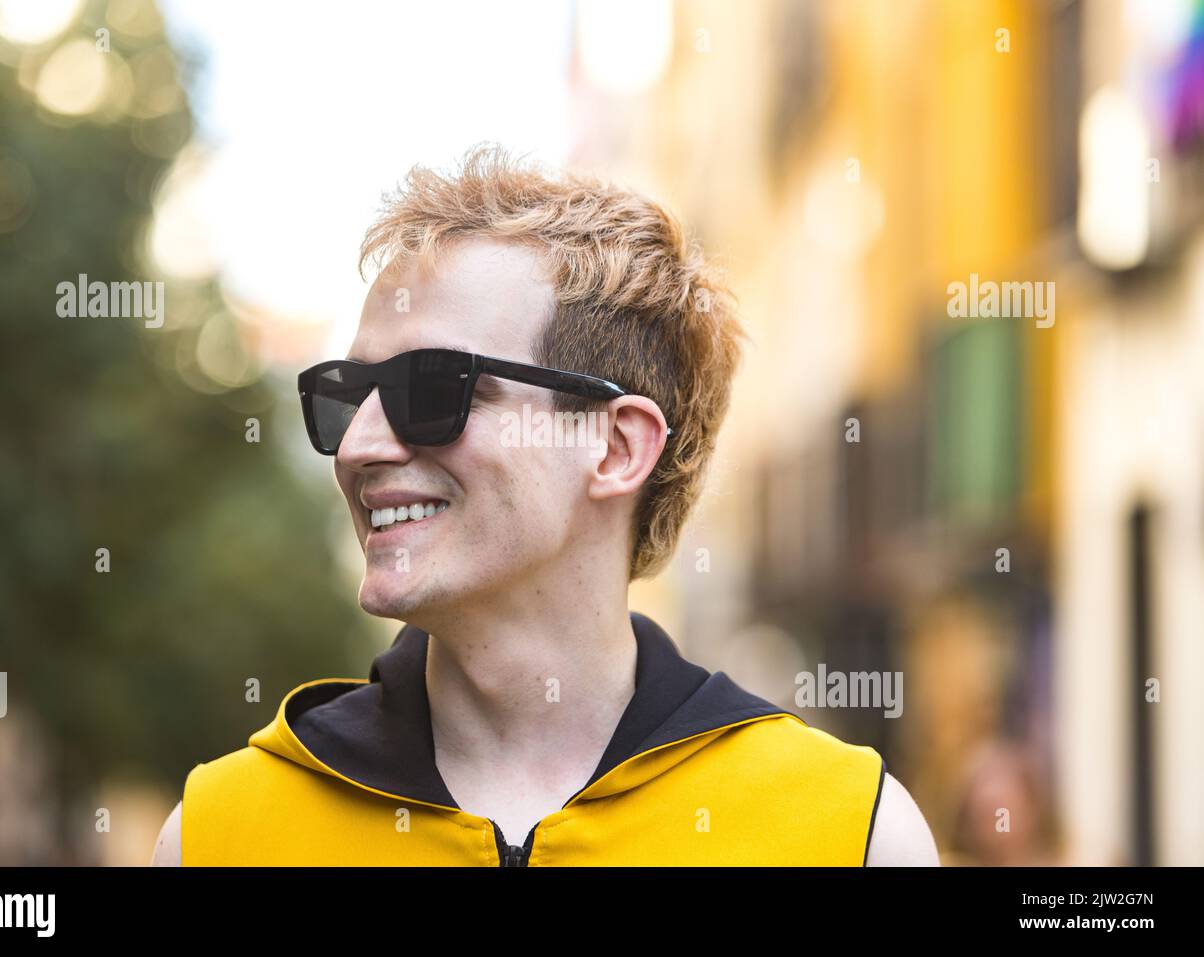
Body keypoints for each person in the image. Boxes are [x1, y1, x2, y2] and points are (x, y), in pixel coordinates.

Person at [151, 144, 938, 866]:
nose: (359, 446)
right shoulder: (214, 834)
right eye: (346, 396)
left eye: (433, 389)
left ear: (618, 445)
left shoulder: (851, 834)